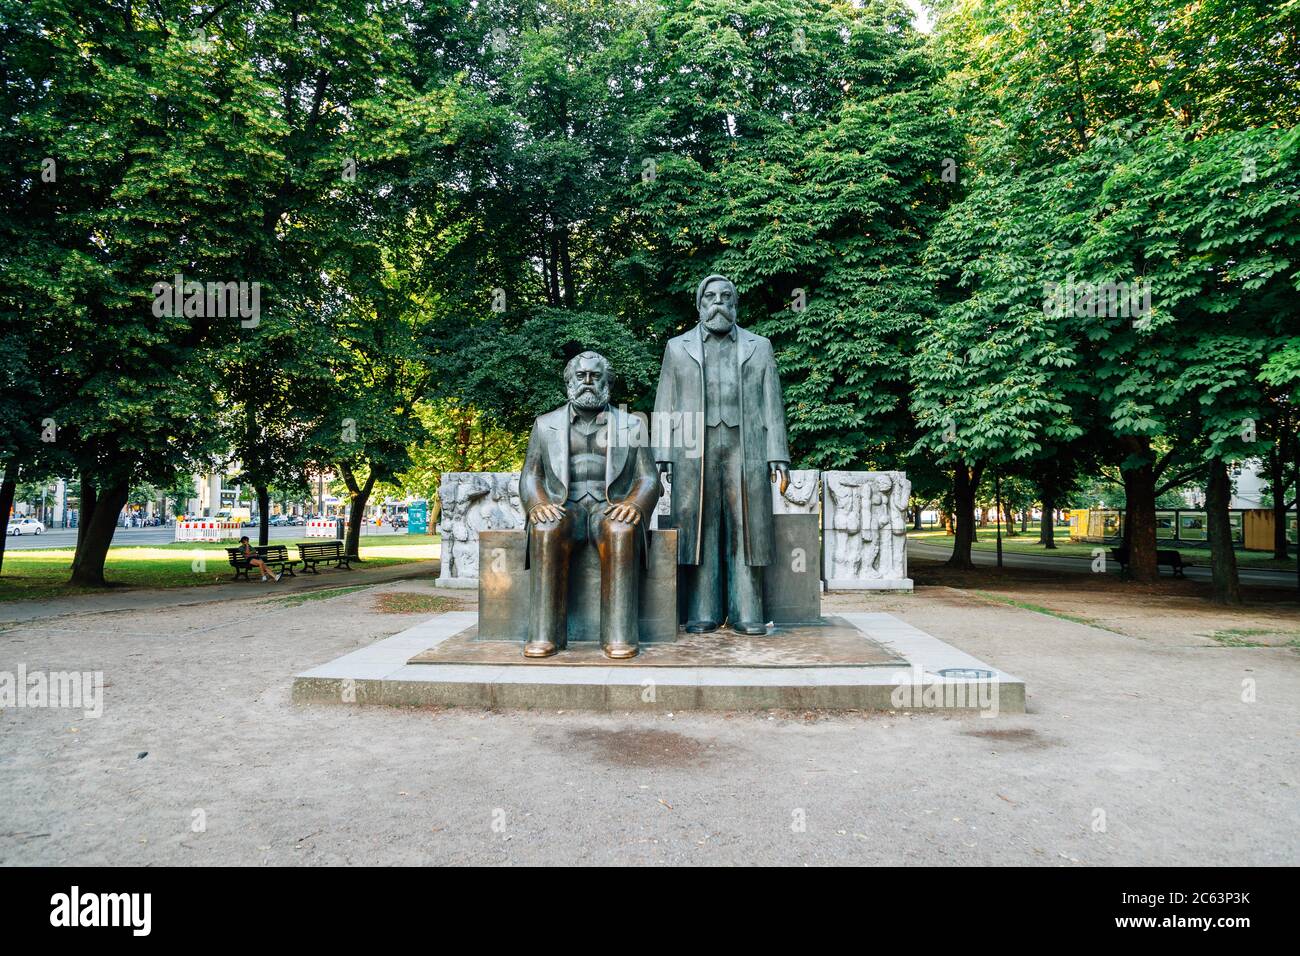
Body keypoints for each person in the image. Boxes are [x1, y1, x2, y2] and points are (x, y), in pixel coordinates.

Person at [653, 275, 790, 634]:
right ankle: (703, 611)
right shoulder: (676, 347)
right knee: (701, 525)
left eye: (725, 297)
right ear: (699, 305)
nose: (718, 302)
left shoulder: (759, 346)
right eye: (710, 297)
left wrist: (778, 454)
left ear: (735, 304)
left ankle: (748, 611)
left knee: (748, 526)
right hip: (692, 446)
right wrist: (662, 453)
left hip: (747, 445)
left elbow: (772, 402)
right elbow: (666, 400)